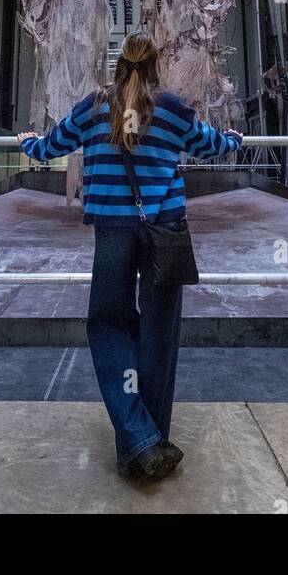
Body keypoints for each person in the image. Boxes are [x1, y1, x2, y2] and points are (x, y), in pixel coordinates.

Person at [17, 32, 243, 483]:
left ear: (119, 64)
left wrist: (28, 142)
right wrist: (234, 138)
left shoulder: (94, 106)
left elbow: (52, 147)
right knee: (160, 333)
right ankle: (151, 439)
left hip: (114, 229)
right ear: (157, 65)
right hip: (166, 230)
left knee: (109, 324)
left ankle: (140, 440)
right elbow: (211, 146)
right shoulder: (174, 109)